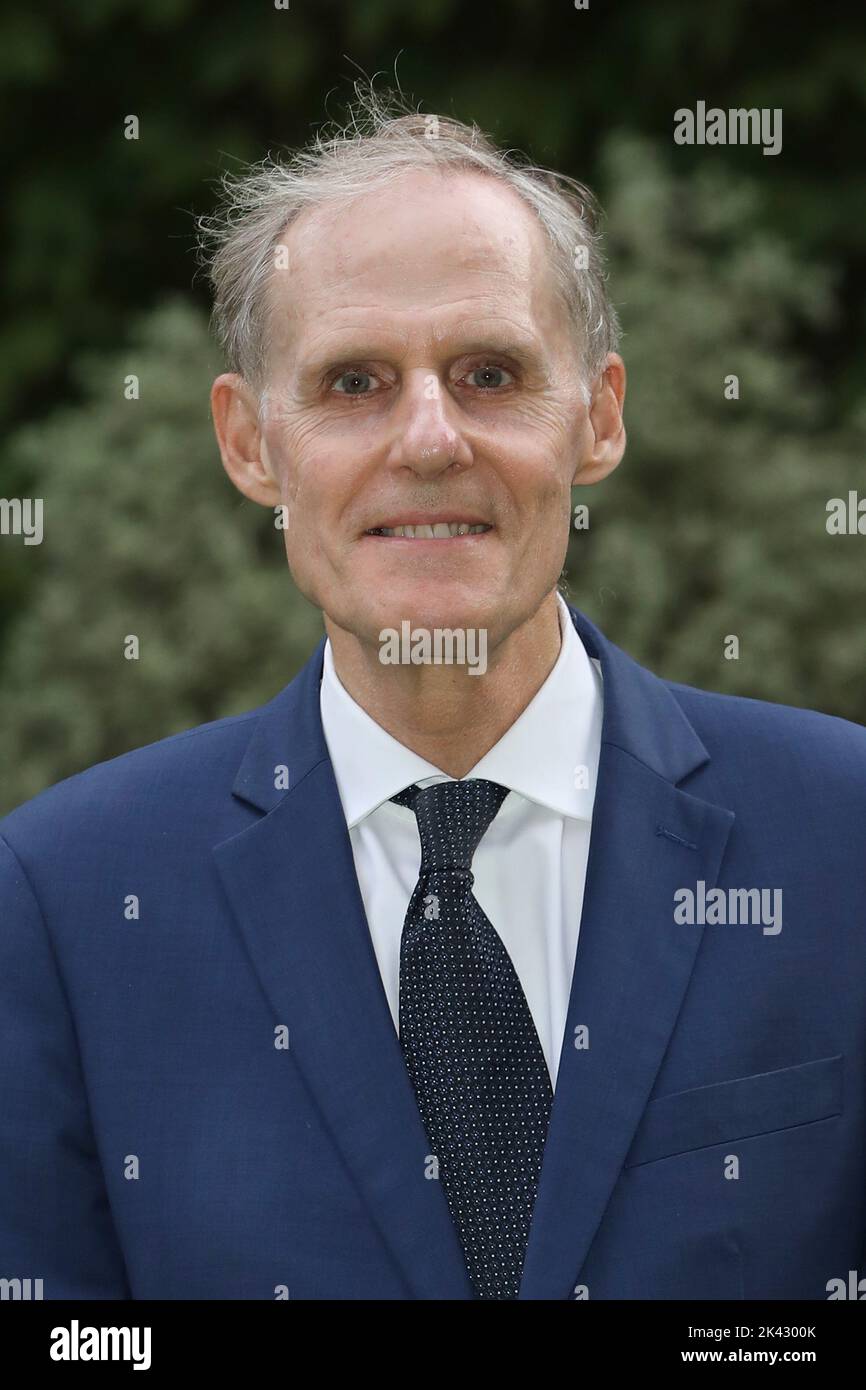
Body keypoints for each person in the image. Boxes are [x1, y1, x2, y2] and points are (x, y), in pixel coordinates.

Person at [1, 91, 863, 1301]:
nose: (427, 439)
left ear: (597, 417)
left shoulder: (841, 835)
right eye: (352, 381)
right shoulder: (64, 900)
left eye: (488, 373)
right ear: (249, 443)